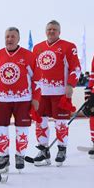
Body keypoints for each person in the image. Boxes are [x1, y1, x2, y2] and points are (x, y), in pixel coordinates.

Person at [0, 27, 41, 172]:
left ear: (18, 39)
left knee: (22, 129)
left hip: (23, 99)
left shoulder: (29, 56)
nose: (9, 39)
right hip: (2, 100)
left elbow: (37, 79)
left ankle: (20, 155)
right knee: (0, 128)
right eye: (7, 37)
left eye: (13, 37)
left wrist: (36, 98)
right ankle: (4, 157)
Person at [32, 20, 81, 166]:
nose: (51, 31)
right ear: (45, 31)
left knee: (61, 122)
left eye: (54, 29)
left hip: (60, 92)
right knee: (41, 122)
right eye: (49, 29)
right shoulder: (37, 47)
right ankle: (43, 151)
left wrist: (71, 85)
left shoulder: (68, 46)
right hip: (41, 93)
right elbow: (33, 71)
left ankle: (61, 149)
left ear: (59, 32)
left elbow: (76, 68)